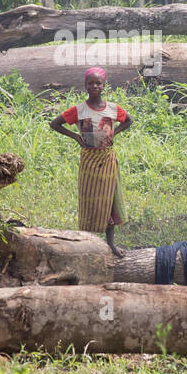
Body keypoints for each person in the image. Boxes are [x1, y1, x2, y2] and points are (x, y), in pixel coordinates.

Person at [51, 67, 132, 257]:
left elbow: (128, 120)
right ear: (85, 86)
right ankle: (86, 244)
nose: (94, 86)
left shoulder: (113, 108)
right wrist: (75, 137)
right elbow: (55, 124)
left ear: (104, 85)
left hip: (107, 159)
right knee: (89, 199)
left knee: (109, 200)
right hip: (89, 160)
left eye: (98, 83)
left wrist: (115, 133)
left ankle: (111, 245)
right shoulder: (79, 110)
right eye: (90, 83)